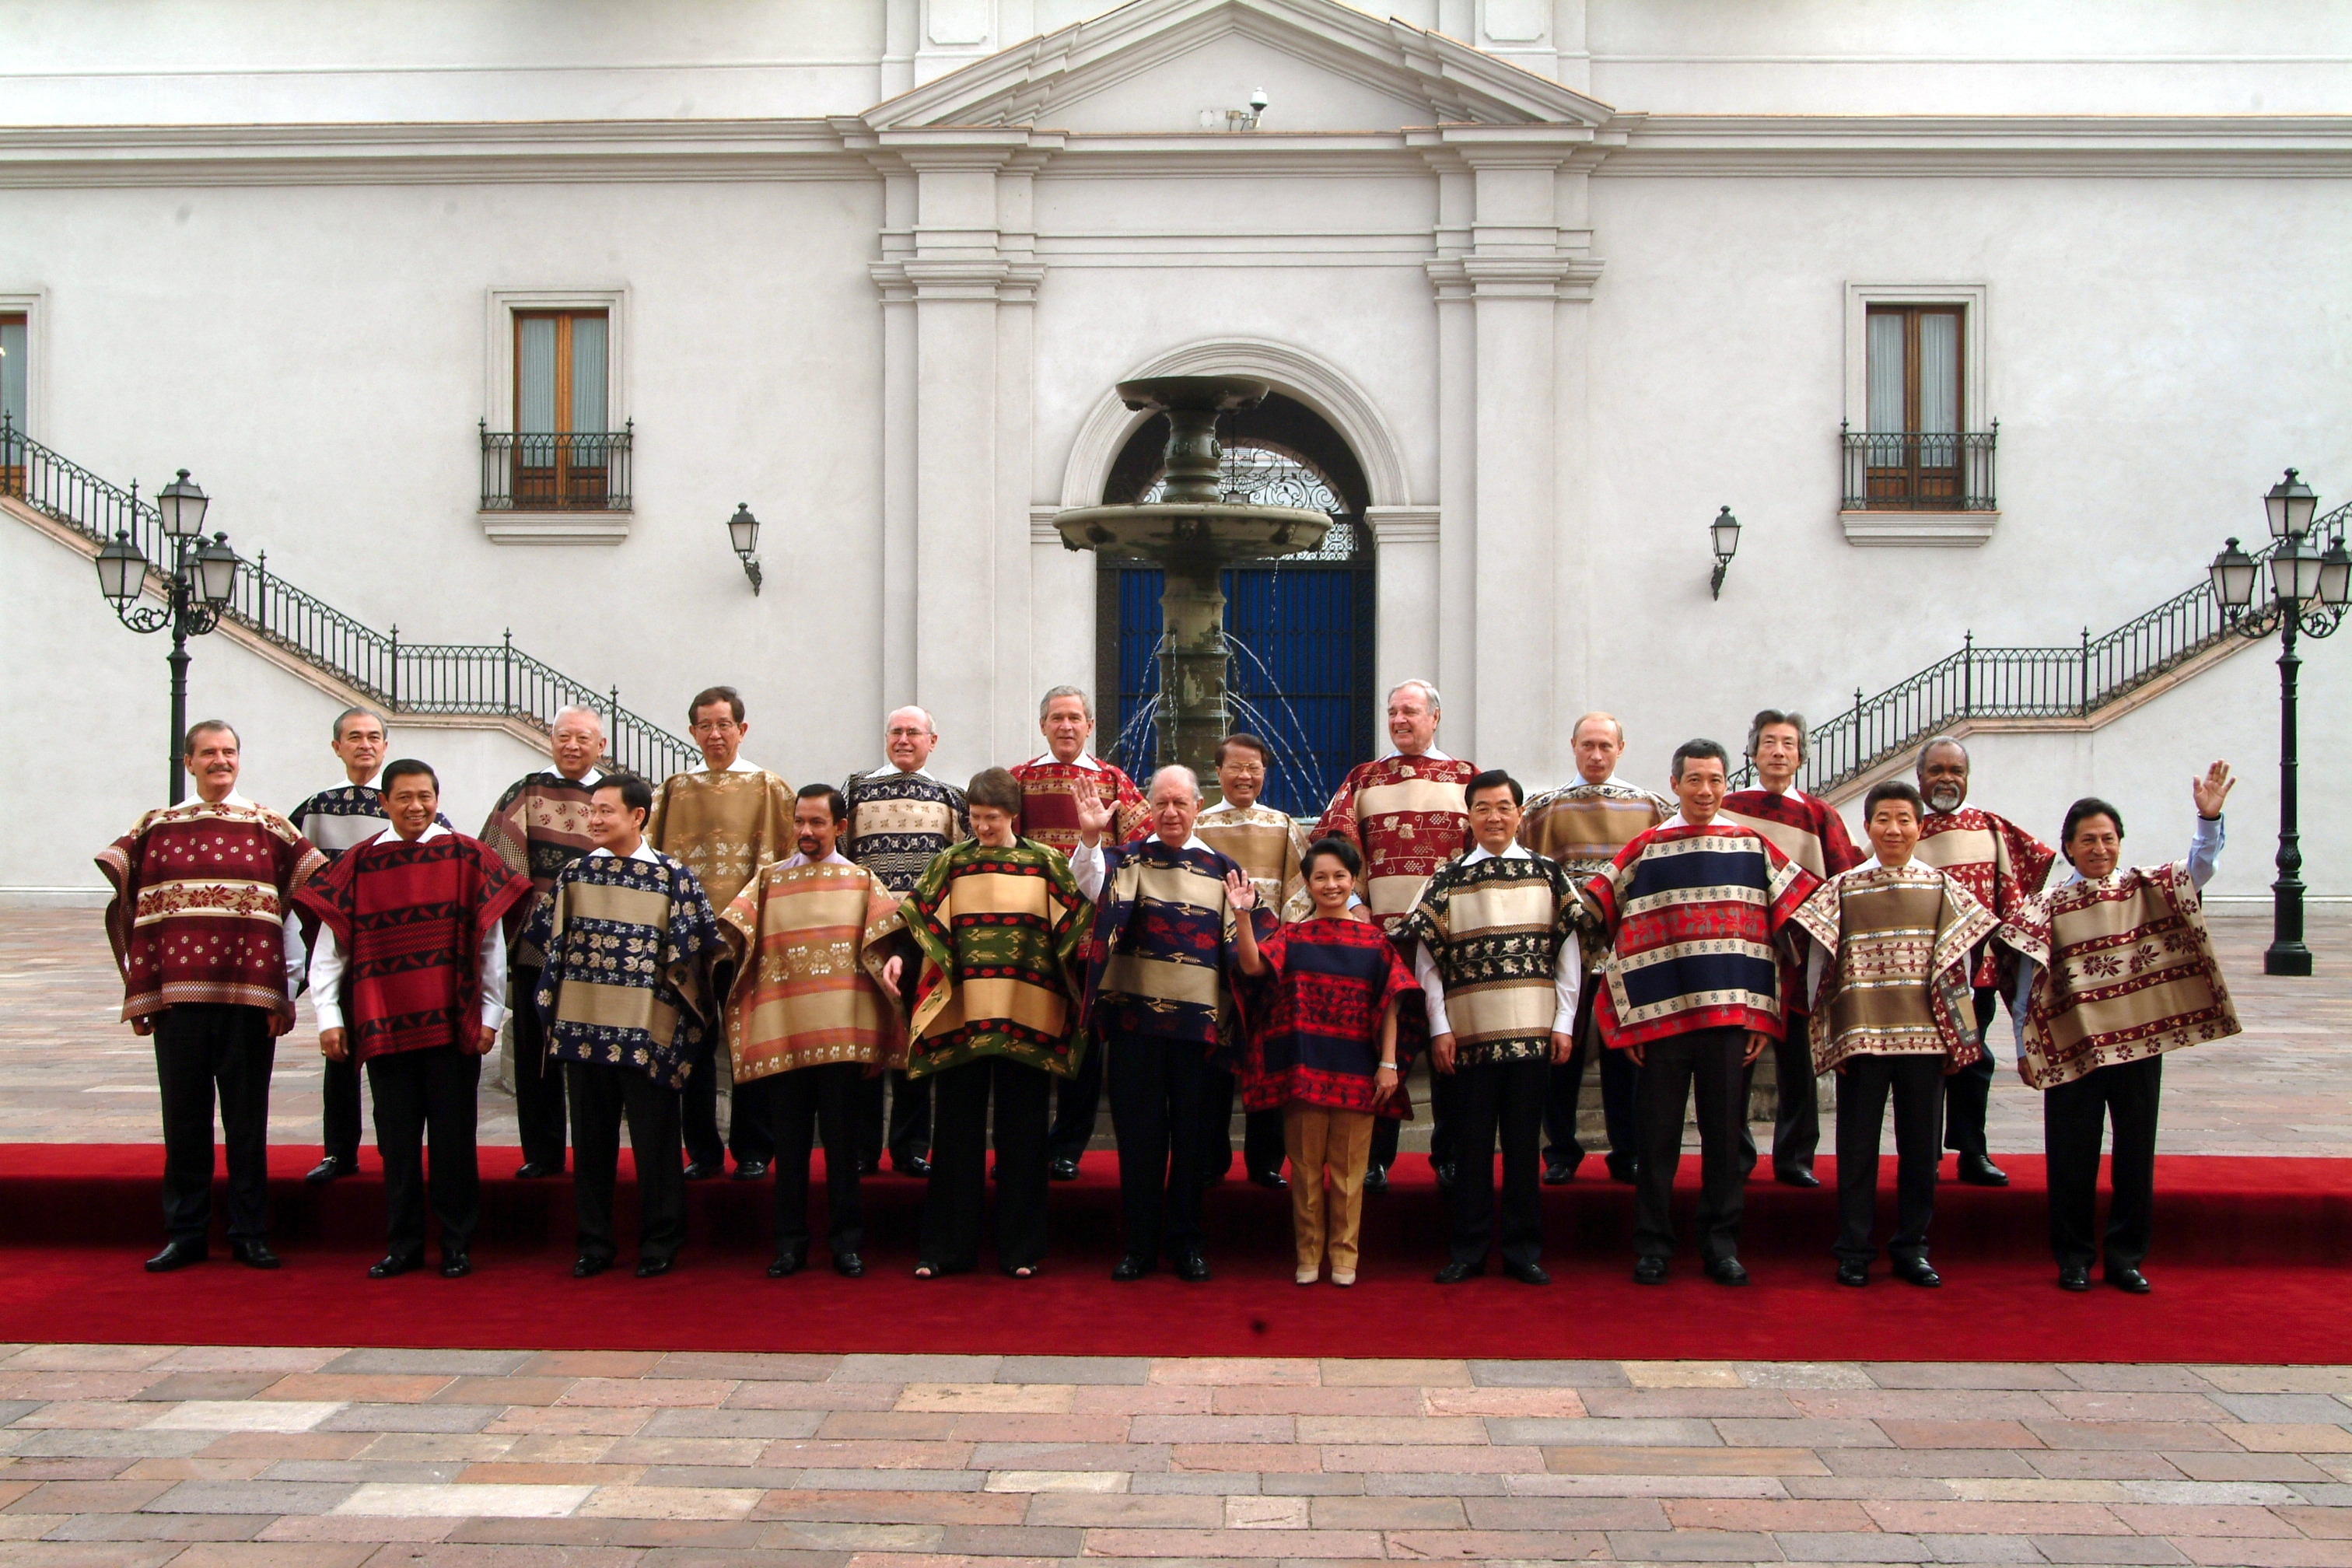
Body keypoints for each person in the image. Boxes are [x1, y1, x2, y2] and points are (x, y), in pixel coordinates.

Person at [1580, 738, 1819, 1286]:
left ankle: (1721, 1245)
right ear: (1675, 784)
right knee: (1656, 1138)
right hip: (1663, 1022)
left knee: (1724, 1137)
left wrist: (1762, 1015)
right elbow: (1598, 913)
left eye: (1715, 780)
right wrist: (1629, 1013)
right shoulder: (1647, 848)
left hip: (1730, 1021)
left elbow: (1784, 925)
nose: (1705, 791)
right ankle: (1653, 1245)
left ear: (1725, 784)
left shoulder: (1750, 846)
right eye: (1695, 780)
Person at [1997, 765, 2236, 1295]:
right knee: (2070, 1158)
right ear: (2068, 847)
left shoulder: (2143, 889)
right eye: (2088, 840)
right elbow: (2024, 989)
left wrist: (2209, 818)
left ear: (2120, 843)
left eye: (2108, 838)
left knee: (2135, 1155)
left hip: (2137, 1046)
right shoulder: (2045, 907)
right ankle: (2074, 1258)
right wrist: (2022, 1047)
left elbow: (2198, 869)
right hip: (2071, 1051)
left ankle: (2127, 1257)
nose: (2099, 848)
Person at [97, 721, 325, 1273]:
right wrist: (139, 988)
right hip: (177, 1001)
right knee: (184, 1121)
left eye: (228, 753)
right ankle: (186, 1232)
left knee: (248, 1123)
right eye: (208, 754)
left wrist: (286, 992)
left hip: (249, 999)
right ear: (188, 762)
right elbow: (127, 899)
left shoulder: (270, 826)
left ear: (239, 761)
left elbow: (304, 907)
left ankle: (250, 1232)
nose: (219, 761)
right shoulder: (156, 826)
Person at [296, 759, 529, 1279]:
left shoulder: (468, 857)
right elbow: (329, 949)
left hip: (453, 1026)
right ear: (384, 802)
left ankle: (456, 1244)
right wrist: (329, 1017)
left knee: (453, 1142)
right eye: (403, 797)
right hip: (384, 1027)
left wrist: (491, 1013)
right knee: (396, 1143)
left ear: (436, 798)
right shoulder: (358, 864)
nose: (415, 806)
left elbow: (490, 944)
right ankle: (401, 1245)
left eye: (424, 796)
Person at [883, 768, 1094, 1279]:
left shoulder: (1045, 864)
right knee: (955, 1133)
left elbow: (1075, 926)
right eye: (975, 818)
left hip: (1027, 1014)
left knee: (1024, 1136)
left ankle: (1021, 1251)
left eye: (992, 819)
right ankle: (947, 1249)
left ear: (1013, 816)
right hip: (964, 1015)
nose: (982, 828)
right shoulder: (950, 864)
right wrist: (900, 962)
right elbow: (920, 925)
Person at [1790, 780, 1995, 1290]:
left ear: (1919, 827)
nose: (1894, 829)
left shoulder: (1943, 889)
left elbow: (1961, 965)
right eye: (1884, 819)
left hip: (1926, 1038)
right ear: (1868, 826)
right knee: (1857, 1148)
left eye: (1904, 819)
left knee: (1922, 1150)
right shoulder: (1843, 889)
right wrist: (1829, 1035)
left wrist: (1958, 1036)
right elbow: (1819, 966)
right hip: (1862, 1035)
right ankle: (1854, 1248)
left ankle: (1912, 1246)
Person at [524, 774, 723, 1279]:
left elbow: (700, 956)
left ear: (638, 816)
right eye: (592, 811)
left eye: (605, 811)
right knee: (591, 1144)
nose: (594, 819)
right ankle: (594, 1242)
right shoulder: (574, 876)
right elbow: (546, 944)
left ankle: (661, 1240)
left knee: (657, 1144)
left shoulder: (673, 879)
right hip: (584, 1027)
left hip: (648, 1034)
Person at [1072, 765, 1261, 1283]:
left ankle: (1188, 1244)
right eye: (1162, 803)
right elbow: (1090, 888)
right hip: (1136, 1029)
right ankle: (1138, 1245)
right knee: (1139, 1141)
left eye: (1181, 803)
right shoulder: (1127, 860)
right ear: (1148, 809)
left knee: (1195, 1143)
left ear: (1199, 807)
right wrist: (1090, 838)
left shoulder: (1223, 869)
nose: (1171, 812)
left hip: (1200, 1036)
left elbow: (1248, 956)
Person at [1398, 770, 1580, 1286]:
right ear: (1469, 816)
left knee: (1524, 1148)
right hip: (1469, 1036)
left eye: (1504, 807)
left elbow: (1567, 954)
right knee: (1470, 1149)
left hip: (1532, 1033)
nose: (1494, 817)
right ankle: (1469, 1249)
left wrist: (1563, 1023)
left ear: (1520, 813)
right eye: (1483, 808)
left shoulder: (1549, 876)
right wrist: (1439, 1028)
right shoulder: (1448, 880)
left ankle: (1524, 1252)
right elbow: (1427, 962)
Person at [718, 784, 906, 1281]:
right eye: (800, 821)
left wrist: (894, 963)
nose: (805, 831)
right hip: (786, 1033)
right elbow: (731, 936)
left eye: (817, 823)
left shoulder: (862, 882)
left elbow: (893, 941)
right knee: (791, 1148)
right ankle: (788, 1244)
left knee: (844, 1150)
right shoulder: (768, 882)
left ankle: (846, 1244)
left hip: (843, 1039)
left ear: (840, 827)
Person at [1231, 838, 1423, 1286]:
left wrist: (1390, 1064)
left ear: (1353, 881)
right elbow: (1253, 967)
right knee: (1303, 1169)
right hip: (1303, 1068)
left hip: (1359, 1069)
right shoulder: (1292, 935)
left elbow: (1394, 999)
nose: (1330, 885)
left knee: (1350, 1171)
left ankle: (1344, 1257)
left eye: (1339, 876)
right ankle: (1307, 1254)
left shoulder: (1376, 942)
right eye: (1321, 877)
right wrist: (1242, 915)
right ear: (1308, 882)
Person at [1311, 679, 1475, 1192]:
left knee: (1453, 1050)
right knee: (1381, 1051)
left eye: (1410, 711)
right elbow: (1334, 844)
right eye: (1393, 712)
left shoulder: (1467, 778)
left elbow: (1486, 848)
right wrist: (1355, 905)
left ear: (1435, 717)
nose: (1400, 720)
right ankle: (1376, 1156)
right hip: (1382, 944)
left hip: (1451, 944)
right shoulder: (1364, 778)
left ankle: (1449, 1155)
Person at [287, 705, 448, 1186]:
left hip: (400, 953)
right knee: (340, 1054)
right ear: (337, 747)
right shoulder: (316, 809)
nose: (365, 744)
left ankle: (395, 1149)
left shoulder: (412, 801)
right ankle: (339, 1151)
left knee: (394, 1060)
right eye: (354, 737)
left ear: (386, 745)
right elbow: (298, 879)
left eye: (374, 736)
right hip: (343, 949)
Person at [1516, 712, 1671, 1187]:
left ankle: (1628, 1150)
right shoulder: (1544, 809)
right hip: (1564, 951)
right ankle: (1561, 1149)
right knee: (1561, 1052)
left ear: (1621, 748)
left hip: (1629, 951)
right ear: (1573, 746)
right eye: (1588, 745)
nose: (1597, 754)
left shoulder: (1649, 808)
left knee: (1626, 1057)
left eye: (1606, 745)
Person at [647, 685, 795, 1183]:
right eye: (705, 726)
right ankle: (702, 1151)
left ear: (742, 729)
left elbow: (786, 858)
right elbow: (654, 860)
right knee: (693, 1042)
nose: (715, 735)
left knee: (748, 1041)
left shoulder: (768, 788)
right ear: (692, 732)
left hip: (745, 935)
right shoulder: (673, 790)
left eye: (724, 725)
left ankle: (755, 1148)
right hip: (687, 937)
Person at [1719, 709, 1865, 1189]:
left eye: (1788, 744)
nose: (1778, 752)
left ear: (1801, 754)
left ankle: (1796, 1155)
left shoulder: (1817, 814)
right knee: (1736, 1057)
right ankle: (1733, 1152)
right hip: (1740, 950)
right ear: (1753, 751)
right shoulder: (1730, 807)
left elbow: (1843, 877)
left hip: (1800, 955)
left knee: (1797, 1061)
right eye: (1768, 743)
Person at [1012, 685, 1148, 1181]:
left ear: (1090, 726)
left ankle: (1069, 1144)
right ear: (1043, 725)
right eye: (1056, 718)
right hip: (1033, 932)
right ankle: (1023, 1143)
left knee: (1085, 1044)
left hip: (1093, 935)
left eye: (1075, 718)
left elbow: (1138, 848)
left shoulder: (1112, 780)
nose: (1066, 726)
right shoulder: (1020, 780)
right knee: (1030, 1034)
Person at [1913, 736, 2059, 1188]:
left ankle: (1972, 1150)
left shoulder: (1991, 827)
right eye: (1936, 770)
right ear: (1920, 778)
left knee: (1974, 1058)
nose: (1946, 780)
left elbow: (2027, 877)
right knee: (1922, 1064)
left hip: (1976, 967)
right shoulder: (1904, 826)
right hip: (1914, 968)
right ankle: (1923, 1153)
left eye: (1955, 771)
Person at [480, 705, 611, 1180]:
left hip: (602, 949)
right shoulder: (527, 791)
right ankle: (543, 1151)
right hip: (539, 945)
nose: (572, 746)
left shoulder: (613, 794)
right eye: (563, 737)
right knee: (536, 1053)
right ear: (550, 740)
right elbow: (498, 863)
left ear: (602, 745)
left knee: (595, 1055)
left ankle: (597, 1155)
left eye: (583, 738)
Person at [842, 705, 971, 1180]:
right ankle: (861, 1148)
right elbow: (842, 857)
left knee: (918, 1044)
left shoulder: (951, 798)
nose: (903, 740)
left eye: (913, 733)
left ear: (931, 742)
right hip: (866, 935)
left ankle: (911, 1145)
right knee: (868, 1041)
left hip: (925, 938)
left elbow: (959, 869)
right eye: (895, 731)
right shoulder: (856, 791)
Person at [1191, 732, 1305, 1190]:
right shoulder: (1198, 828)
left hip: (1268, 966)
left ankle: (1266, 1162)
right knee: (1214, 1065)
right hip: (1215, 967)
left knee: (1267, 1059)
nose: (1245, 776)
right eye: (1235, 767)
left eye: (1254, 767)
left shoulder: (1282, 825)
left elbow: (1299, 892)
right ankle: (1211, 1158)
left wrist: (1281, 948)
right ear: (1217, 773)